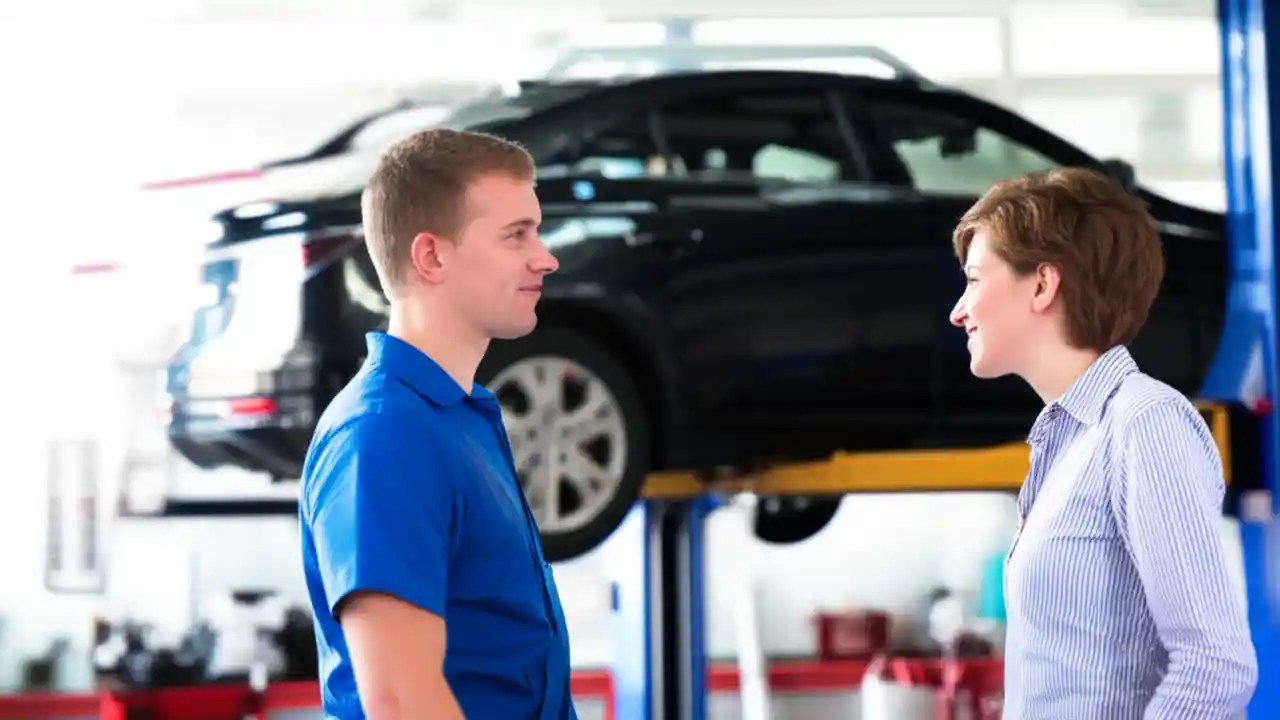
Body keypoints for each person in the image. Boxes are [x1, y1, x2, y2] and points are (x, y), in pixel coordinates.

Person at [948, 167, 1258, 719]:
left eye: (975, 279)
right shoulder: (1066, 440)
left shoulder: (1144, 424)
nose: (959, 310)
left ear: (1043, 284)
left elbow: (1214, 664)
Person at [297, 128, 574, 719]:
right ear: (431, 256)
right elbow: (401, 703)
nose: (545, 257)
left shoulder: (461, 419)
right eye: (516, 235)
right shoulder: (383, 437)